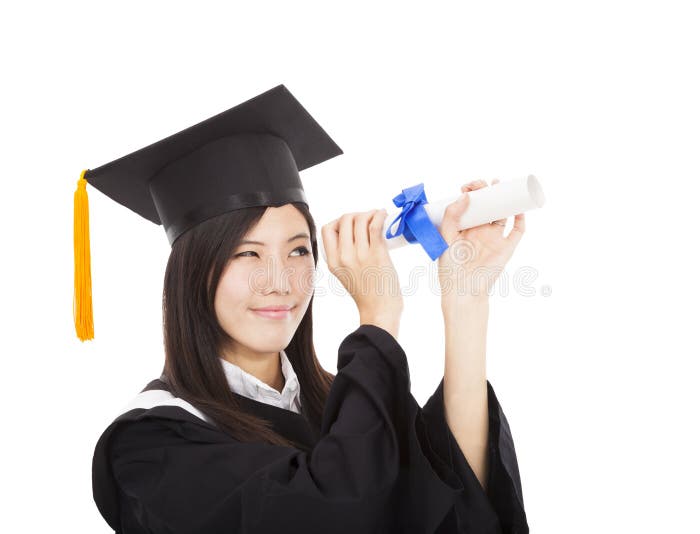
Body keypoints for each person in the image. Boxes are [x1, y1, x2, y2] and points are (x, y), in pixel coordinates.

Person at [82, 84, 530, 533]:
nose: (280, 282)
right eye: (247, 254)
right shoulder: (150, 444)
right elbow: (333, 514)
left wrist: (466, 300)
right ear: (193, 273)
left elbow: (457, 505)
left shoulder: (344, 399)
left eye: (298, 251)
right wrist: (377, 321)